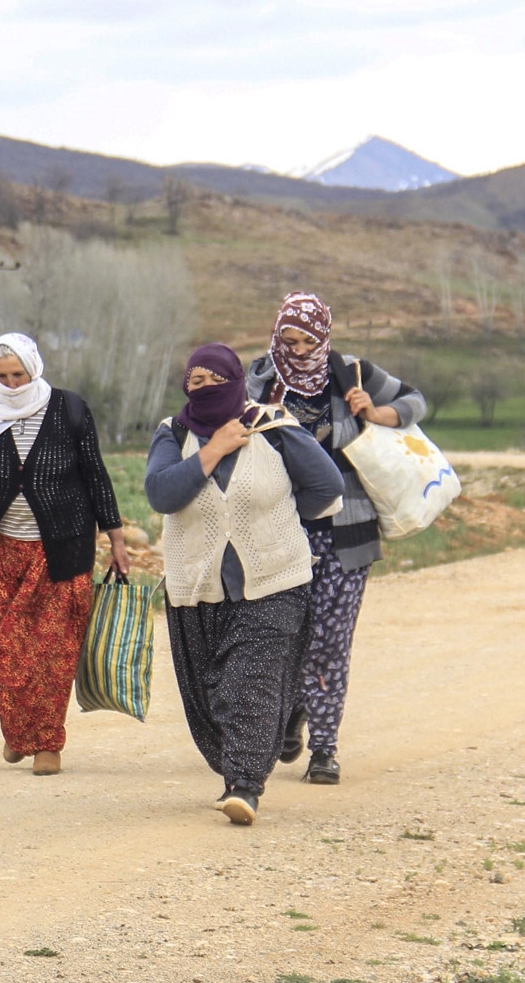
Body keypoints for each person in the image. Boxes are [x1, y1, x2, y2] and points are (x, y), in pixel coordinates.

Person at [145, 343, 344, 825]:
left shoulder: (273, 428)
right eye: (197, 383)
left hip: (276, 582)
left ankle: (244, 786)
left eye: (218, 381)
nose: (208, 390)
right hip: (197, 587)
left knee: (246, 683)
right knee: (212, 695)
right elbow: (162, 493)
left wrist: (283, 522)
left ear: (237, 383)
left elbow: (327, 488)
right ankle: (269, 728)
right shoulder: (173, 434)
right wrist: (213, 450)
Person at [0, 333, 132, 777]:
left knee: (52, 651)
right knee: (4, 650)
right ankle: (19, 731)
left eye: (18, 374)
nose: (11, 384)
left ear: (33, 369)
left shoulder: (69, 408)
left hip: (63, 547)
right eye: (2, 376)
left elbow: (95, 474)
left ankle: (46, 744)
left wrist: (115, 537)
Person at [245, 292, 427, 785]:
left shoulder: (351, 373)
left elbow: (415, 401)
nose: (299, 350)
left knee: (329, 640)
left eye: (309, 340)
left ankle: (324, 748)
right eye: (290, 340)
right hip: (279, 532)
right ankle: (291, 714)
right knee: (285, 635)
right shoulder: (259, 380)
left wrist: (376, 413)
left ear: (324, 337)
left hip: (347, 533)